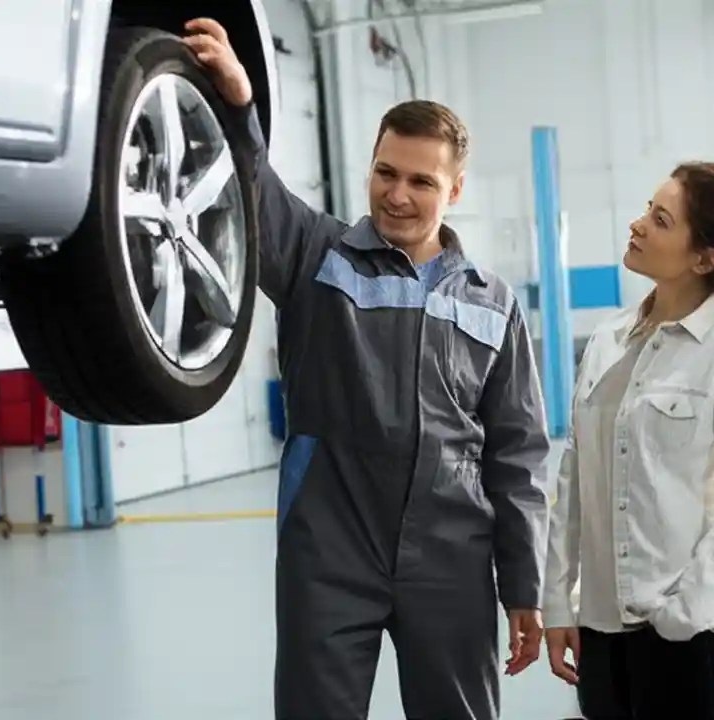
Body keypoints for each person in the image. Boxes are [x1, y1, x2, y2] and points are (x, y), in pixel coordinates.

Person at [183, 18, 551, 720]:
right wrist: (239, 107)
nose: (397, 195)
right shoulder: (316, 256)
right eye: (386, 173)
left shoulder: (493, 304)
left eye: (421, 181)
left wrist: (524, 586)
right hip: (330, 551)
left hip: (451, 557)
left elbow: (518, 457)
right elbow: (252, 187)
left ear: (455, 190)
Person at [541, 161, 714, 719]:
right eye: (647, 209)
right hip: (600, 634)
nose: (638, 225)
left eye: (661, 220)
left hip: (690, 643)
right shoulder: (608, 340)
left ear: (703, 258)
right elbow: (575, 477)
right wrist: (558, 603)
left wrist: (683, 616)